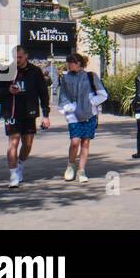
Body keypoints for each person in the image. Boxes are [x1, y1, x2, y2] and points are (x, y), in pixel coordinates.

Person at [0, 46, 52, 188]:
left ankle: (20, 163)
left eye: (20, 57)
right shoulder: (6, 71)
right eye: (15, 57)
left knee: (28, 144)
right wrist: (8, 90)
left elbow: (43, 93)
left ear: (26, 56)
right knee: (13, 142)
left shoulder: (35, 71)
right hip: (11, 111)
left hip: (29, 112)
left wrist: (46, 115)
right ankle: (13, 174)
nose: (17, 60)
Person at [56, 52, 107, 183]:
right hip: (73, 115)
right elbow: (63, 96)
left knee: (85, 142)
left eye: (70, 62)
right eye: (68, 62)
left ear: (78, 63)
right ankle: (70, 165)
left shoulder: (90, 76)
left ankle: (81, 170)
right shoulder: (66, 78)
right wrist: (69, 108)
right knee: (75, 142)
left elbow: (102, 94)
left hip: (89, 114)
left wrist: (91, 102)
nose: (68, 65)